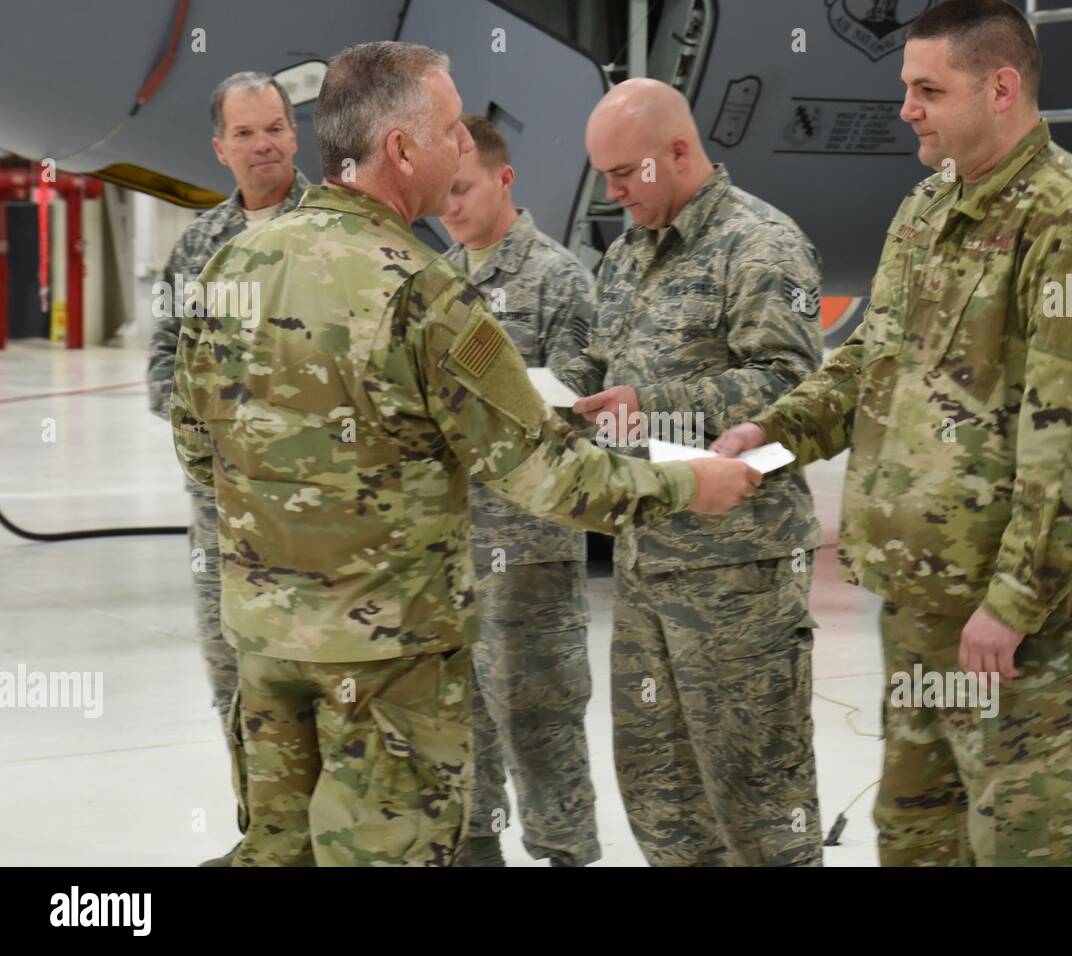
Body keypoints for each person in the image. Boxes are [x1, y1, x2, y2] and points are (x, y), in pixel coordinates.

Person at [169, 40, 759, 867]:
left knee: (280, 851)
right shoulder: (425, 293)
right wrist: (685, 484)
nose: (460, 145)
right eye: (449, 129)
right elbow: (545, 471)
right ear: (402, 149)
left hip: (266, 646)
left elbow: (197, 443)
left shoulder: (237, 261)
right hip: (387, 664)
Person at [715, 0, 1072, 866]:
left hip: (1013, 633)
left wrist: (1013, 603)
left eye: (926, 89)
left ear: (1002, 88)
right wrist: (770, 435)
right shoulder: (926, 206)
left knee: (1031, 841)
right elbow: (867, 363)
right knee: (917, 835)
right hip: (916, 608)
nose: (905, 108)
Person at [558, 77, 825, 866]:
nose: (610, 193)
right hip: (646, 564)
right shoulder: (627, 256)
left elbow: (792, 389)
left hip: (736, 573)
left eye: (622, 173)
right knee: (660, 791)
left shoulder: (762, 244)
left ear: (679, 150)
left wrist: (652, 403)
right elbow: (608, 372)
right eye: (601, 175)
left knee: (758, 801)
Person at [144, 70, 309, 865]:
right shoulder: (199, 246)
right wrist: (203, 430)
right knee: (234, 678)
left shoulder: (338, 229)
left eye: (273, 127)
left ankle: (326, 843)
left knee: (319, 676)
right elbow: (162, 360)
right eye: (244, 133)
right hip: (222, 517)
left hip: (320, 515)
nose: (262, 144)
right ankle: (266, 840)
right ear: (220, 149)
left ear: (295, 133)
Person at [439, 114, 600, 867]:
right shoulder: (435, 281)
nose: (450, 207)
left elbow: (576, 409)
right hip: (451, 546)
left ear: (505, 179)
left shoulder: (557, 276)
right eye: (440, 193)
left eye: (463, 189)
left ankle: (566, 852)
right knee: (462, 716)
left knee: (539, 720)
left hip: (529, 546)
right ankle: (477, 849)